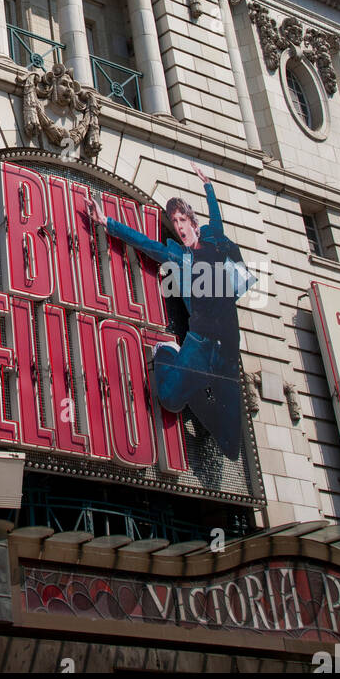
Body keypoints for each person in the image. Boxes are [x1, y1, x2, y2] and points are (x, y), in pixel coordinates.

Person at [86, 163, 255, 460]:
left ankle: (203, 396)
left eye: (180, 220)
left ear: (192, 221)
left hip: (227, 342)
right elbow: (145, 243)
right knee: (169, 397)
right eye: (173, 222)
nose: (177, 226)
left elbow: (216, 218)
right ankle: (168, 352)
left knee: (231, 446)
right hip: (199, 342)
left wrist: (208, 186)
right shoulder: (176, 255)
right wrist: (107, 222)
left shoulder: (215, 241)